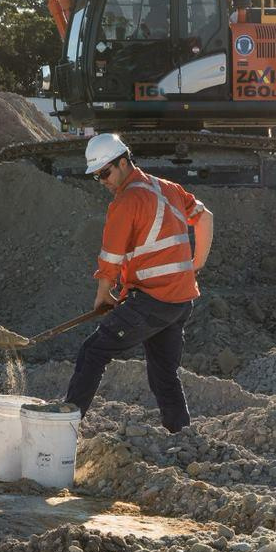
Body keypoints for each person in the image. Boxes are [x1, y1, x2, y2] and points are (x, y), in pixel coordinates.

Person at [62, 132, 214, 432]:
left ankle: (63, 427)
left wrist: (103, 293)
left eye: (105, 172)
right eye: (97, 176)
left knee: (94, 351)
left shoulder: (127, 200)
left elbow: (112, 256)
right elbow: (205, 217)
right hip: (180, 300)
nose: (103, 180)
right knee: (164, 372)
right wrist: (195, 266)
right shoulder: (166, 187)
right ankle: (181, 434)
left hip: (154, 300)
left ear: (123, 162)